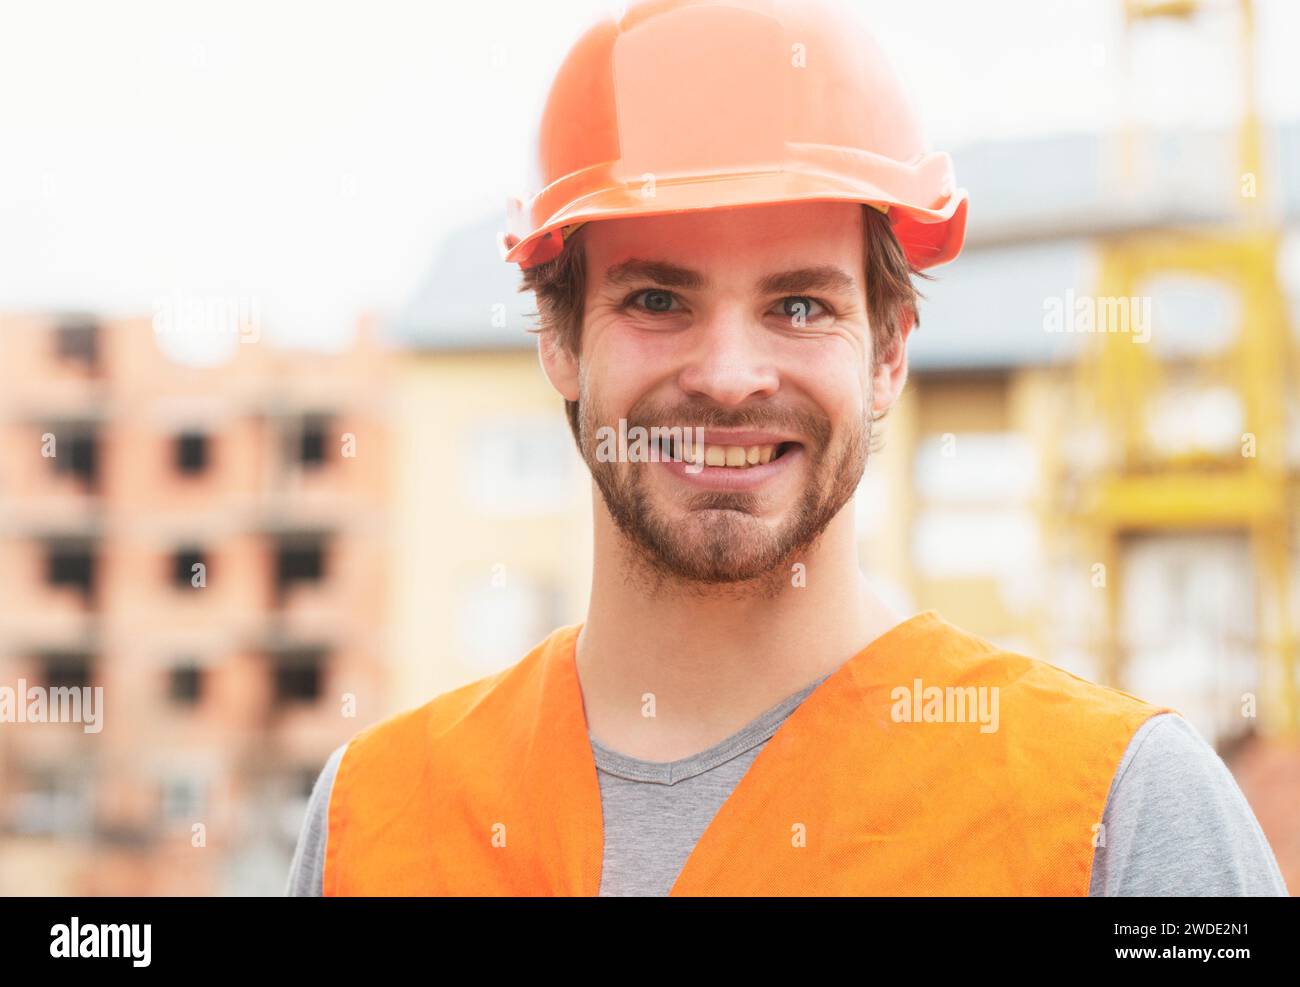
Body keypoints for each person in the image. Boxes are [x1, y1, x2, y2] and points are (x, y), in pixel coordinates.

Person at [287, 0, 1287, 896]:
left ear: (889, 351)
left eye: (799, 304)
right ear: (558, 337)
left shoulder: (1115, 819)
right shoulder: (374, 823)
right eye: (656, 299)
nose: (729, 375)